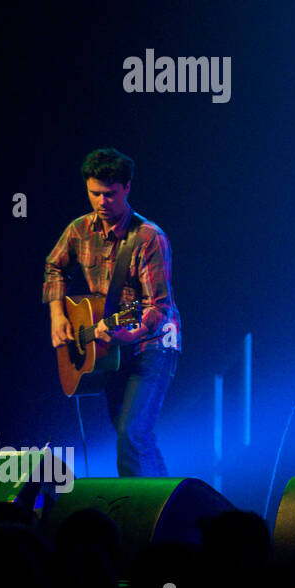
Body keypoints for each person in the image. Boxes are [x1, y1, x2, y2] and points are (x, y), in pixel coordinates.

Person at [44, 148, 180, 477]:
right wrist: (58, 316)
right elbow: (54, 267)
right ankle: (165, 512)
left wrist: (127, 333)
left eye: (110, 194)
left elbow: (158, 307)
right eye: (94, 194)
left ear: (127, 187)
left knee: (132, 434)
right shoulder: (79, 230)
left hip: (152, 345)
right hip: (108, 351)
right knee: (134, 437)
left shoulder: (149, 238)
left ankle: (139, 516)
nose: (102, 202)